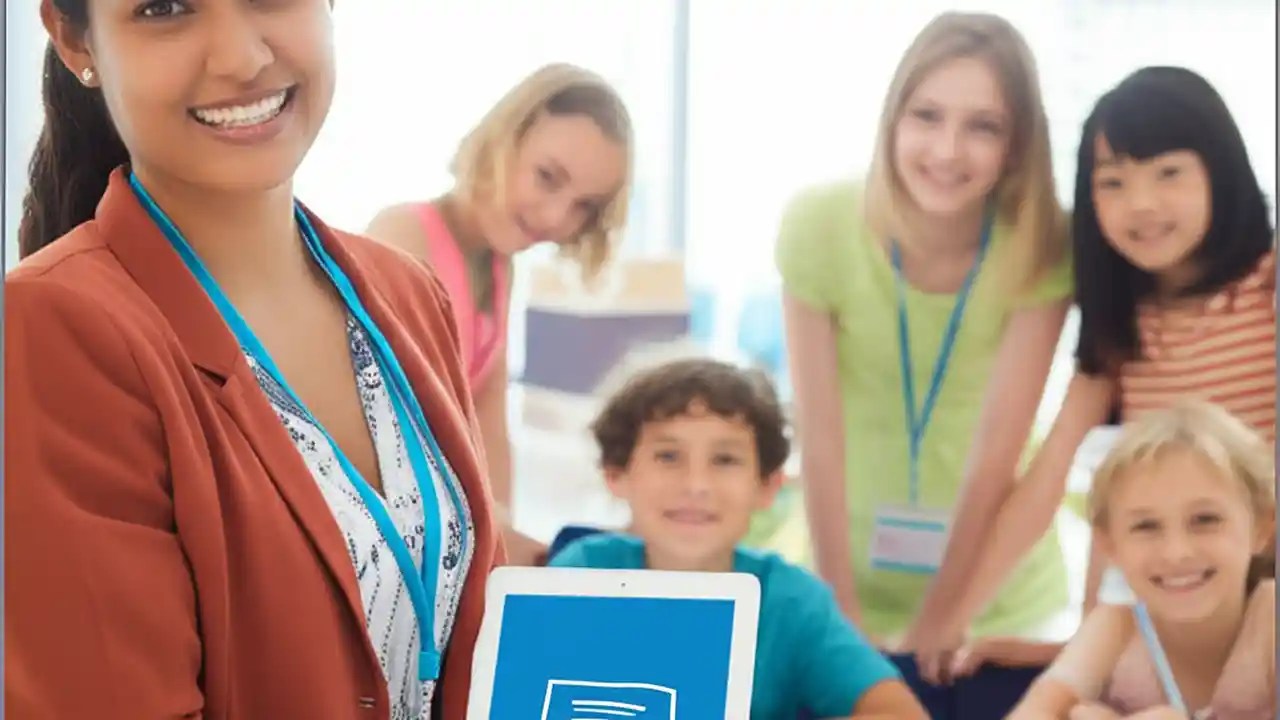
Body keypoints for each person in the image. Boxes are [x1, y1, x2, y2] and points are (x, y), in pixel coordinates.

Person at [7, 1, 502, 717]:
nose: (240, 57)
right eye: (165, 8)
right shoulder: (53, 326)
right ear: (75, 37)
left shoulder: (405, 293)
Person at [922, 66, 1276, 680]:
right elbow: (1049, 479)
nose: (1141, 204)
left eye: (1168, 173)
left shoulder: (1265, 288)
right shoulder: (1121, 327)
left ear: (1222, 171)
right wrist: (956, 615)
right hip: (1171, 625)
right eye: (1112, 183)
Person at [777, 10, 1073, 662]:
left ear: (1018, 143)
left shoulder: (1044, 243)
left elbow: (996, 454)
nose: (946, 150)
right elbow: (819, 437)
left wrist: (944, 615)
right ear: (893, 120)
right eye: (927, 116)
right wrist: (837, 611)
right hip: (839, 571)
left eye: (983, 127)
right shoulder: (819, 225)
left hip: (993, 598)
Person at [550, 357, 928, 719]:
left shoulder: (789, 600)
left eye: (725, 460)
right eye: (668, 456)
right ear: (617, 473)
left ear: (767, 486)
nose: (696, 485)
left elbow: (901, 715)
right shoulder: (583, 575)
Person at [365, 63, 633, 566]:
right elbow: (391, 425)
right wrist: (492, 534)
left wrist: (501, 527)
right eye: (547, 177)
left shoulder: (499, 267)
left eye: (584, 207)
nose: (556, 218)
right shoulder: (405, 235)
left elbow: (489, 423)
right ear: (502, 136)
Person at [1009, 401, 1275, 718]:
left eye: (1205, 520)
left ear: (1261, 527)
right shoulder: (1116, 629)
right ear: (1110, 546)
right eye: (1146, 526)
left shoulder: (1270, 620)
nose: (1177, 552)